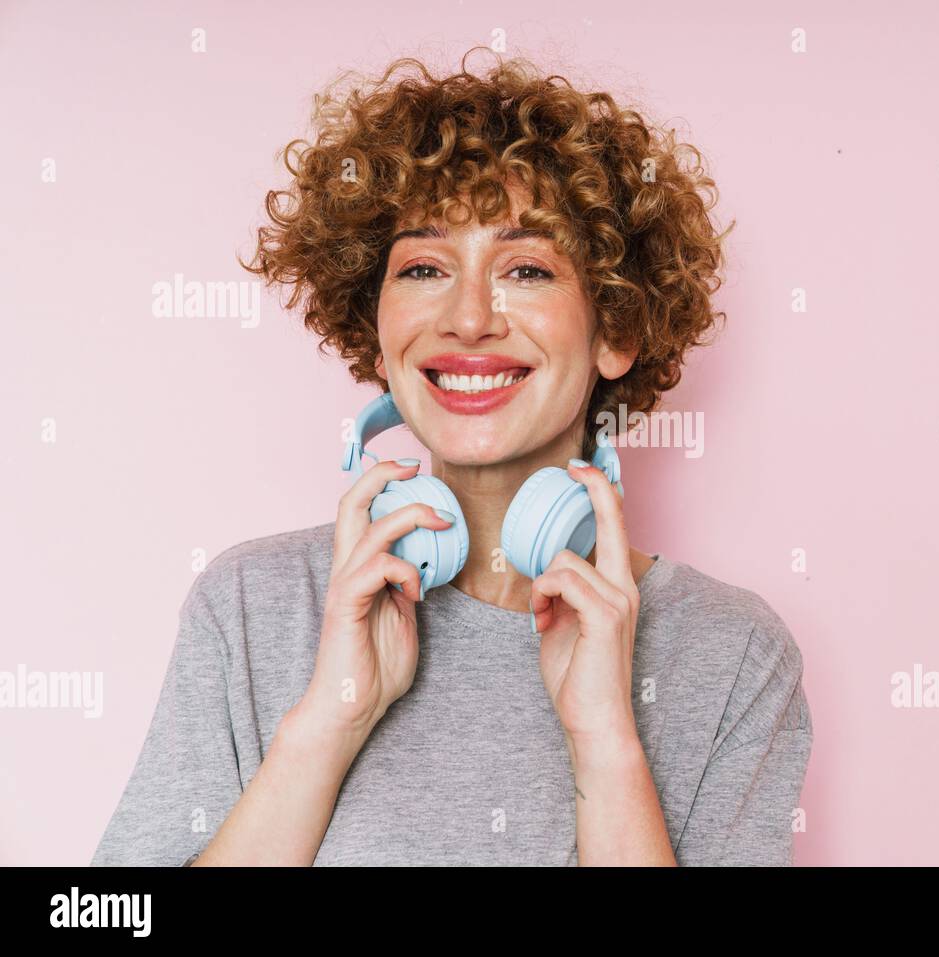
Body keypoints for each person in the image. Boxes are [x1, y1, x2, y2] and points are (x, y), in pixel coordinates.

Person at [91, 48, 813, 866]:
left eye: (528, 268)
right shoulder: (252, 608)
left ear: (616, 328)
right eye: (425, 267)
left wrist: (606, 740)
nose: (469, 318)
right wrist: (331, 720)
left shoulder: (731, 654)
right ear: (377, 325)